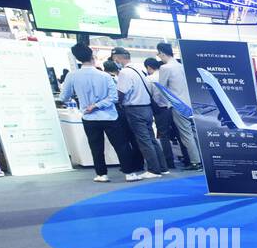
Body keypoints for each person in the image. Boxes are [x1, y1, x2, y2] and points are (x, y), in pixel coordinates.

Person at [61, 42, 136, 183]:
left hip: (89, 117)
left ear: (77, 58)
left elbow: (64, 96)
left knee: (96, 147)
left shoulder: (72, 76)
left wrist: (88, 104)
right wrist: (97, 105)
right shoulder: (105, 76)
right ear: (92, 56)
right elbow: (113, 98)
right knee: (121, 145)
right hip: (109, 116)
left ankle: (102, 174)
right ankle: (130, 173)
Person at [111, 47, 166, 178]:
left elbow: (121, 93)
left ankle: (153, 170)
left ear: (117, 58)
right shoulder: (139, 69)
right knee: (151, 139)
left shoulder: (125, 72)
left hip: (134, 109)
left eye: (115, 59)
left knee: (144, 140)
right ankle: (162, 167)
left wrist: (118, 103)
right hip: (147, 107)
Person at [155, 43, 201, 170]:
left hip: (178, 105)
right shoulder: (182, 66)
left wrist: (159, 103)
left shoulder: (165, 68)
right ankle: (201, 160)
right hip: (190, 104)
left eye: (158, 54)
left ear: (162, 53)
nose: (159, 56)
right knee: (194, 133)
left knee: (186, 135)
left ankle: (195, 162)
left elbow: (161, 88)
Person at [143, 57, 177, 171]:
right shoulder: (167, 74)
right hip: (174, 107)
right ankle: (188, 160)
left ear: (148, 67)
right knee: (179, 134)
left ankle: (169, 162)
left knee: (164, 136)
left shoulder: (149, 79)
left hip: (160, 110)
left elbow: (150, 95)